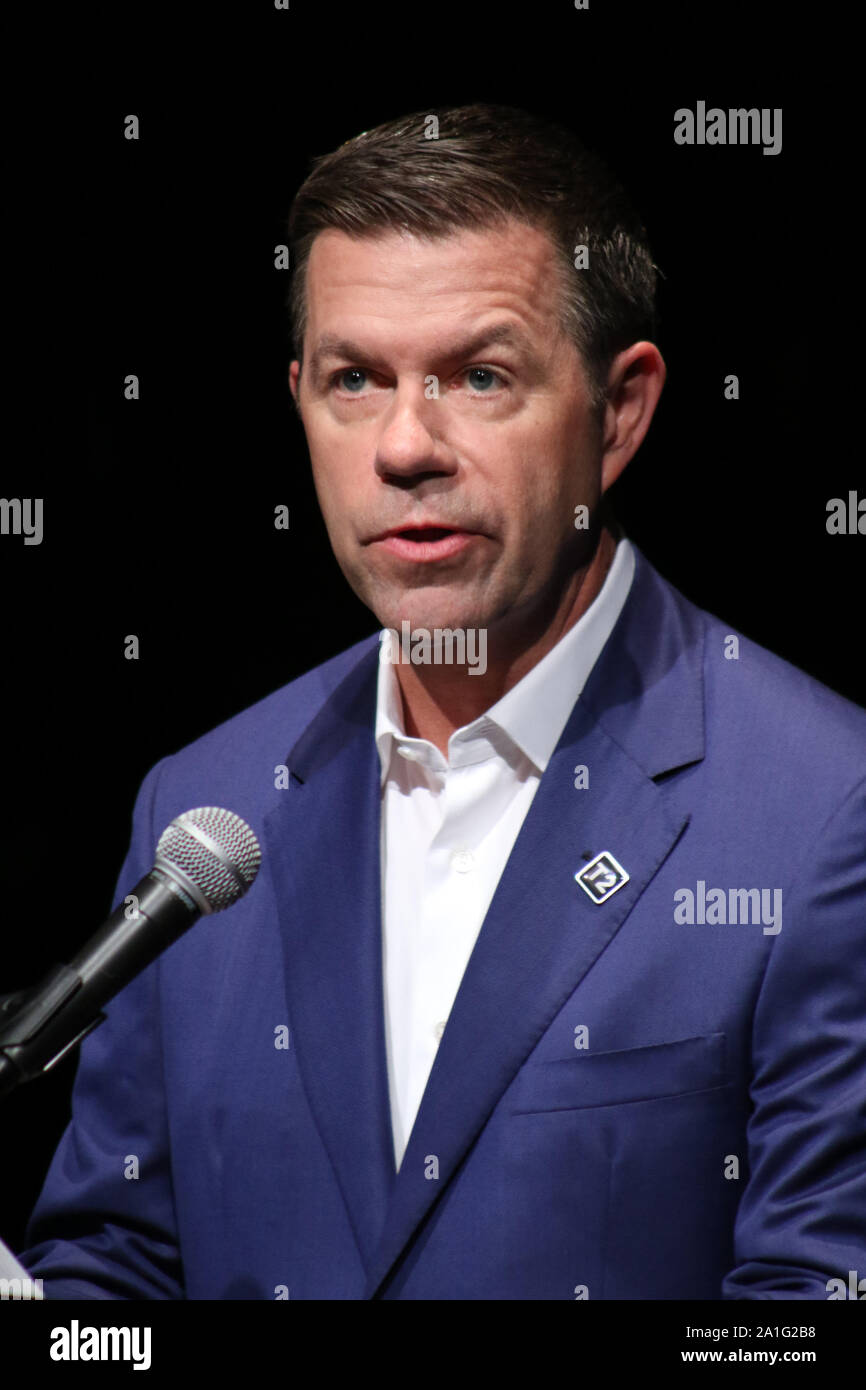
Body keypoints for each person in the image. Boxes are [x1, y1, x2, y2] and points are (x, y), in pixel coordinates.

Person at [15, 104, 866, 1299]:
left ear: (617, 412)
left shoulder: (824, 811)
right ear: (299, 399)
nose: (405, 446)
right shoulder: (203, 806)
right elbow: (118, 1269)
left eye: (477, 374)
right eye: (354, 379)